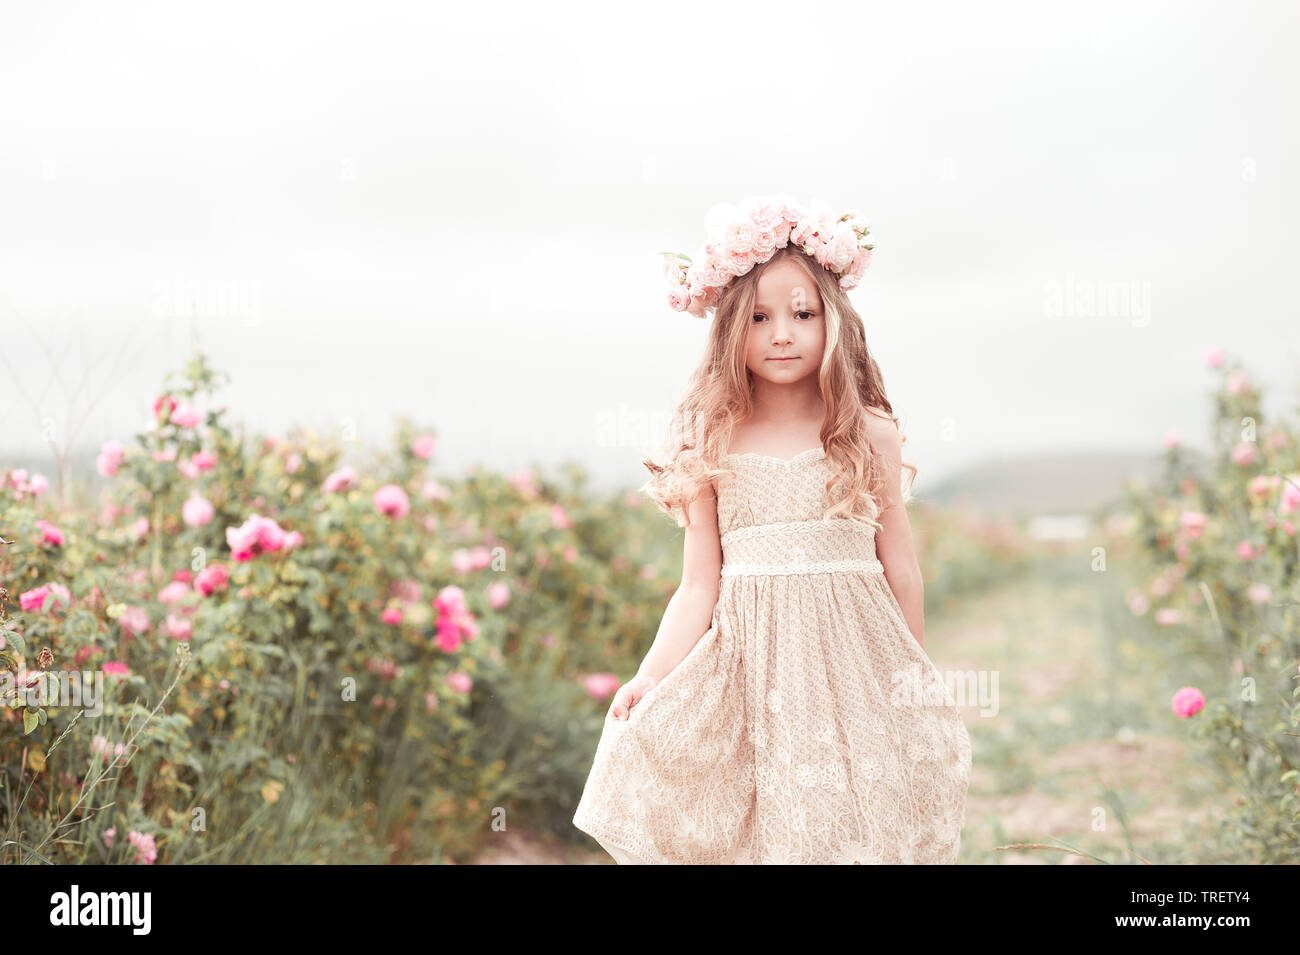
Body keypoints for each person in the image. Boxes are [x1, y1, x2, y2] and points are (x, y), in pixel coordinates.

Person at [572, 194, 971, 864]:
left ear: (832, 320)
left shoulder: (865, 433)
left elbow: (900, 566)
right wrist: (650, 675)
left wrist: (912, 671)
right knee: (768, 820)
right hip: (751, 667)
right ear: (731, 327)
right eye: (759, 317)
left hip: (856, 664)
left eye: (801, 313)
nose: (781, 332)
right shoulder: (712, 440)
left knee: (854, 815)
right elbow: (697, 585)